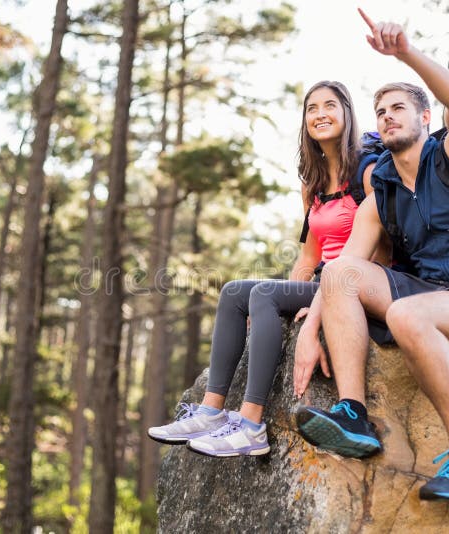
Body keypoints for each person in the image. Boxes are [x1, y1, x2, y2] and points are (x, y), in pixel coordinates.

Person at [293, 9, 449, 500]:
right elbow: (339, 271)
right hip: (429, 295)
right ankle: (354, 415)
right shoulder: (385, 188)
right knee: (342, 271)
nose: (388, 116)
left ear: (425, 117)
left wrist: (406, 54)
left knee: (405, 315)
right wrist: (309, 331)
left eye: (398, 107)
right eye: (380, 111)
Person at [148, 80, 384, 457]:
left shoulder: (368, 173)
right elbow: (308, 258)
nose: (320, 114)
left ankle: (251, 425)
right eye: (311, 108)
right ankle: (210, 411)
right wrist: (289, 304)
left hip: (354, 285)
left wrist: (321, 306)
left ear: (347, 113)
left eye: (330, 105)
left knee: (264, 294)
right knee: (234, 292)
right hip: (322, 280)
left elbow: (383, 251)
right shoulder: (313, 184)